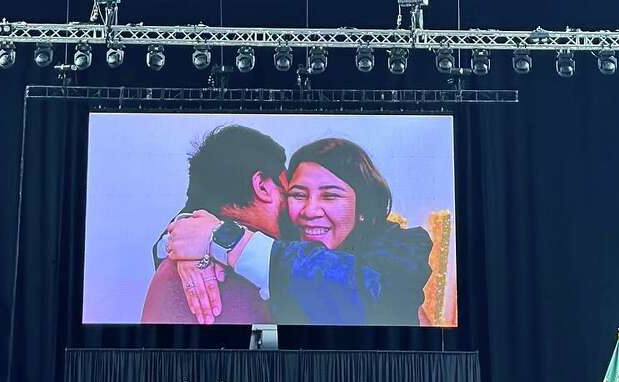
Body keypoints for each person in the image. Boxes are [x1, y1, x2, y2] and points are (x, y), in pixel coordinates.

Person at [164, 136, 432, 326]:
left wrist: (225, 240)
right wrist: (189, 234)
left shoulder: (406, 247)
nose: (310, 210)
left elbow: (364, 292)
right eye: (297, 194)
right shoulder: (287, 237)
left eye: (330, 196)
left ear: (363, 208)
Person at [143, 125, 288, 325]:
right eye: (289, 193)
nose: (297, 208)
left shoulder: (174, 263)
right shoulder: (250, 276)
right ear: (262, 186)